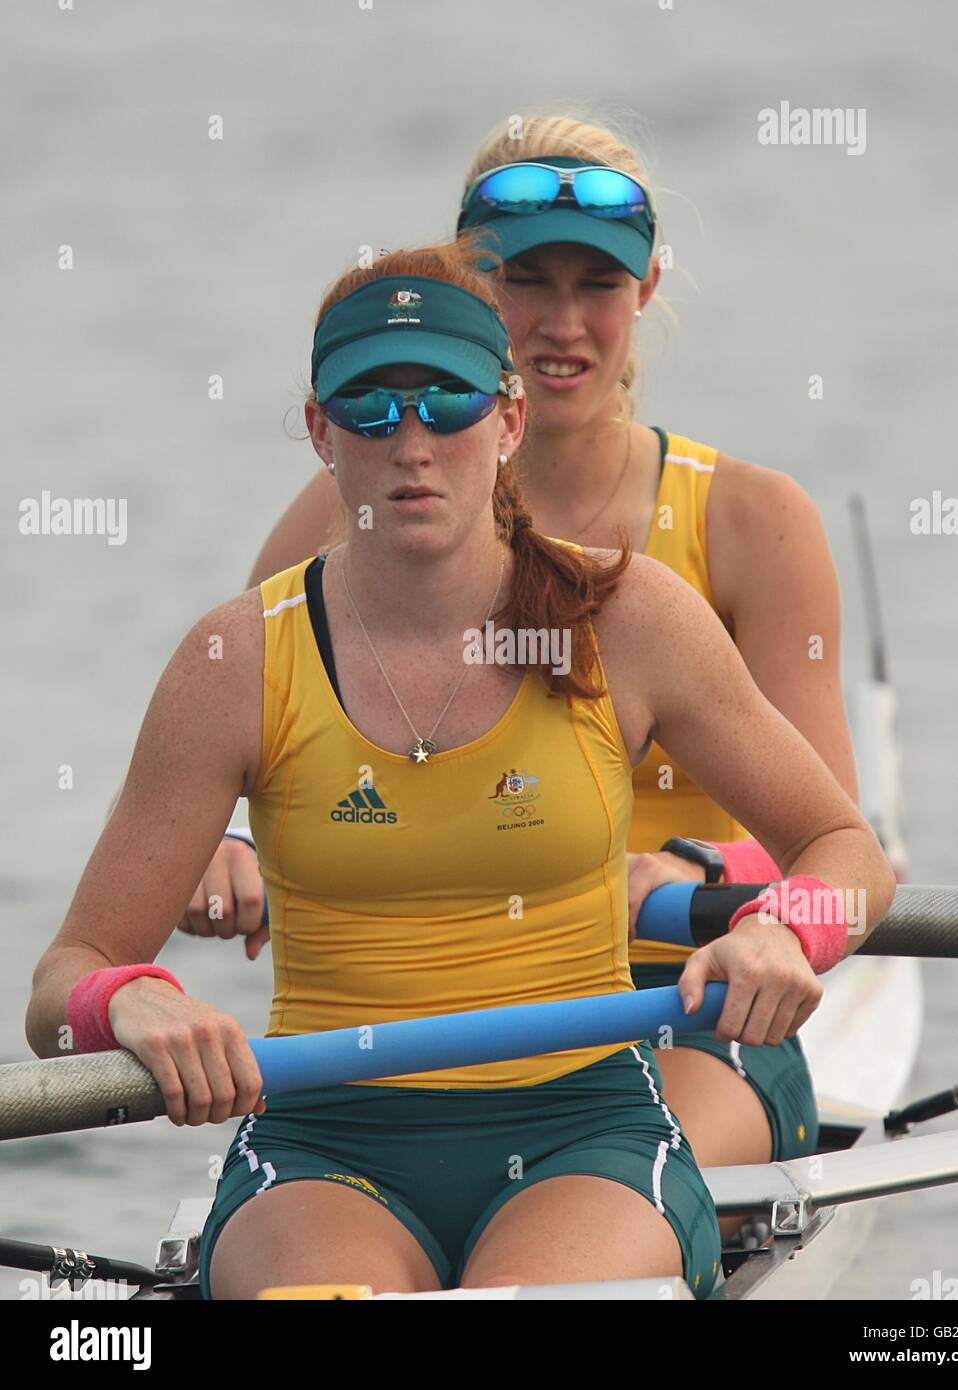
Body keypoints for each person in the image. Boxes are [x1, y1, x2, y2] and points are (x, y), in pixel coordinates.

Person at [26, 245, 894, 1300]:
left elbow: (847, 853)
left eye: (448, 400)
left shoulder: (629, 620)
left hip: (581, 1125)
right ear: (318, 433)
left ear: (510, 420)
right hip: (324, 1139)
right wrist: (129, 999)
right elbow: (66, 976)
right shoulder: (234, 662)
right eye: (368, 407)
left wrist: (774, 926)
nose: (411, 443)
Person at [183, 115, 860, 1188]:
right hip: (417, 1026)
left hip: (687, 995)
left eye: (596, 284)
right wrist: (224, 846)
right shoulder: (345, 502)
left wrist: (690, 876)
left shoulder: (750, 522)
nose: (558, 322)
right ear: (462, 293)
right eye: (520, 281)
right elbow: (229, 741)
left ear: (642, 295)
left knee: (625, 1174)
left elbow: (837, 851)